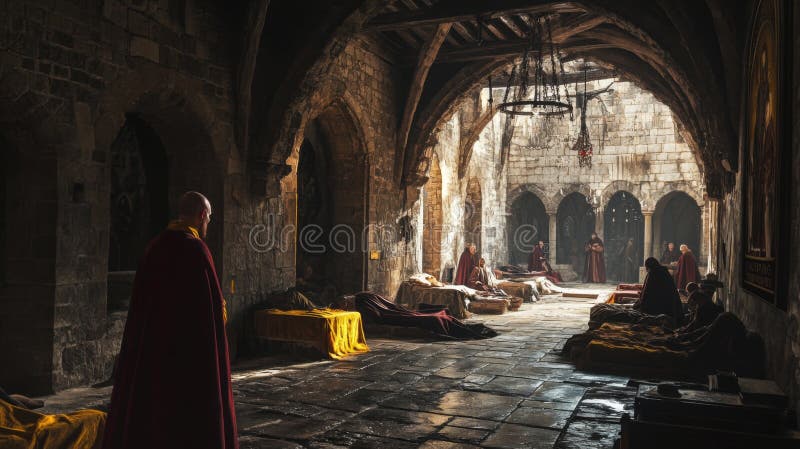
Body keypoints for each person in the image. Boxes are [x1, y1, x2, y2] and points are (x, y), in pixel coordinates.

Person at [102, 192, 238, 449]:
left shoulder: (155, 246)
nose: (208, 222)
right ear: (201, 216)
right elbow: (212, 308)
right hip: (189, 351)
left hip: (154, 346)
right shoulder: (197, 250)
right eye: (209, 217)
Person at [634, 257, 683, 327]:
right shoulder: (665, 272)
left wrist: (640, 303)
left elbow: (646, 292)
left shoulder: (652, 273)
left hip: (657, 307)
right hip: (671, 307)